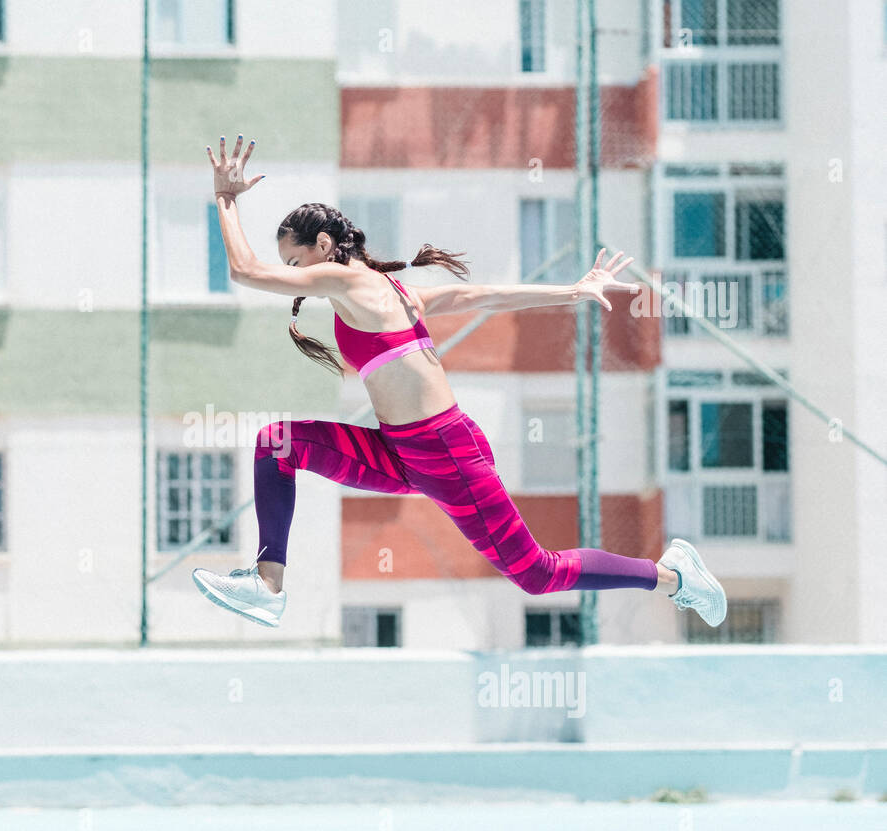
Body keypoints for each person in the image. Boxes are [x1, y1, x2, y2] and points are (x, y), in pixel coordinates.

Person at [191, 134, 726, 631]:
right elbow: (482, 297)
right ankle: (268, 584)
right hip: (401, 452)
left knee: (536, 573)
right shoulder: (394, 293)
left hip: (444, 451)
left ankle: (674, 577)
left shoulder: (347, 278)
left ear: (325, 246)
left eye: (296, 261)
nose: (294, 276)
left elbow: (244, 271)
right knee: (277, 444)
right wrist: (569, 291)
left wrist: (225, 198)